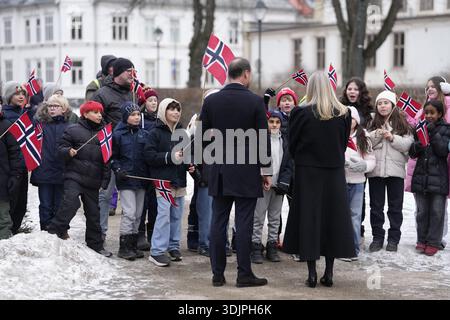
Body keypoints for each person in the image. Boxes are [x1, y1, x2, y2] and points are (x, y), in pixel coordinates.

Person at [200, 57, 271, 288]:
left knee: (218, 222)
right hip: (247, 171)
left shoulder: (212, 101)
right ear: (246, 74)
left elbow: (203, 137)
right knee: (244, 223)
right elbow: (263, 139)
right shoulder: (255, 102)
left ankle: (217, 274)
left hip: (220, 169)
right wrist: (266, 170)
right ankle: (244, 274)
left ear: (229, 73)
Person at [283, 71, 355, 288]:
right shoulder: (344, 113)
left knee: (310, 219)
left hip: (308, 172)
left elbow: (292, 144)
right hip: (333, 172)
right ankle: (329, 273)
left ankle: (312, 273)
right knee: (332, 219)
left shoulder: (300, 113)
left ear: (311, 88)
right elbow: (342, 145)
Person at [46, 101, 112, 257]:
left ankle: (95, 244)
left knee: (93, 213)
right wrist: (68, 151)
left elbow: (107, 160)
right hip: (74, 176)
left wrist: (105, 180)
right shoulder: (73, 130)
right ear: (85, 114)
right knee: (70, 202)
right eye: (95, 112)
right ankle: (53, 232)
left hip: (93, 180)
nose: (99, 115)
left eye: (100, 112)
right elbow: (60, 149)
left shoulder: (104, 133)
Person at [144, 98, 194, 267]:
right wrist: (169, 157)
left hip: (179, 180)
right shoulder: (155, 132)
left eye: (178, 109)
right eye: (171, 109)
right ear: (163, 111)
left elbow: (185, 156)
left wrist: (189, 165)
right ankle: (157, 251)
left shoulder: (183, 133)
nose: (176, 112)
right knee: (164, 216)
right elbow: (149, 156)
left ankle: (173, 246)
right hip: (163, 181)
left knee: (176, 216)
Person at [405, 76, 450, 249]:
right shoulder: (420, 128)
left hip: (438, 177)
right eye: (427, 113)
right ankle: (421, 240)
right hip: (421, 176)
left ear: (440, 114)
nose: (429, 116)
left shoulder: (445, 129)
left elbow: (442, 150)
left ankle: (434, 242)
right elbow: (413, 152)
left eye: (432, 113)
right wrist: (418, 143)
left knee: (437, 211)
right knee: (422, 212)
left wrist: (433, 133)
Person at [92, 57, 134, 240]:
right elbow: (94, 123)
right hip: (108, 153)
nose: (132, 74)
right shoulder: (102, 94)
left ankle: (131, 237)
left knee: (132, 197)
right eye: (129, 71)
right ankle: (99, 235)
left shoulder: (133, 93)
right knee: (105, 195)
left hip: (130, 154)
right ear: (117, 73)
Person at [367, 91, 413, 252]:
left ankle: (393, 239)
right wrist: (378, 134)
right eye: (380, 103)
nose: (383, 106)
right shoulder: (372, 122)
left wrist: (392, 137)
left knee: (395, 207)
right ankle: (377, 238)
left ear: (393, 105)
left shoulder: (402, 124)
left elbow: (407, 145)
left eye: (386, 103)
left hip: (396, 172)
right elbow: (365, 142)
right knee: (376, 207)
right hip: (376, 172)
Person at [251, 110, 292, 264]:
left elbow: (289, 163)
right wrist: (261, 177)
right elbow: (256, 161)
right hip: (263, 184)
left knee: (275, 218)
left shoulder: (286, 141)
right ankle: (255, 246)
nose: (274, 125)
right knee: (258, 217)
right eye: (271, 122)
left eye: (277, 122)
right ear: (267, 123)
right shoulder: (261, 140)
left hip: (278, 184)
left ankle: (272, 246)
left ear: (281, 124)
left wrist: (284, 181)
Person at [112, 102, 149, 260]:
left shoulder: (144, 134)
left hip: (141, 180)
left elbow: (148, 156)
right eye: (133, 115)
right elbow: (112, 157)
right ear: (126, 117)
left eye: (138, 114)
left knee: (139, 214)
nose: (136, 117)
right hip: (126, 179)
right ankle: (124, 246)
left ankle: (133, 245)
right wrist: (118, 169)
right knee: (129, 212)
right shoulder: (118, 135)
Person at [30, 94, 72, 230]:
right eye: (50, 106)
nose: (52, 109)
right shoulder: (40, 124)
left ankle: (59, 230)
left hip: (62, 171)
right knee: (45, 204)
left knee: (60, 204)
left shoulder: (70, 126)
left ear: (64, 109)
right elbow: (29, 118)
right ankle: (45, 230)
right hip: (44, 170)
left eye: (56, 106)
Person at [340, 77, 374, 240]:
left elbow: (370, 140)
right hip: (342, 168)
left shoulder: (367, 112)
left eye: (355, 89)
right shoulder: (339, 108)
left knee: (359, 201)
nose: (352, 91)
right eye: (349, 88)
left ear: (361, 92)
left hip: (362, 159)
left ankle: (357, 228)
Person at [342, 106, 376, 261]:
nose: (349, 121)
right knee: (340, 216)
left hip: (357, 182)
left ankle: (353, 249)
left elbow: (371, 160)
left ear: (357, 120)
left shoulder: (364, 137)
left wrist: (364, 166)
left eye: (352, 118)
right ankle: (338, 247)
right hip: (339, 181)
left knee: (355, 216)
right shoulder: (337, 135)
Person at [1, 82, 30, 234]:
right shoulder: (4, 116)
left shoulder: (23, 114)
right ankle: (7, 231)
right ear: (8, 96)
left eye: (23, 94)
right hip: (10, 168)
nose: (20, 96)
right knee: (10, 202)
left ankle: (14, 229)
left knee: (21, 203)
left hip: (23, 165)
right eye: (16, 93)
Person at [137, 88, 159, 250]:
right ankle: (139, 233)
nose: (153, 103)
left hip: (156, 168)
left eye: (155, 101)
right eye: (150, 100)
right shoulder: (140, 119)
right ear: (144, 102)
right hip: (142, 167)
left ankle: (153, 233)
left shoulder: (160, 120)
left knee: (155, 204)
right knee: (141, 203)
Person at [0, 107, 21, 239]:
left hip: (2, 180)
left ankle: (3, 246)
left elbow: (15, 154)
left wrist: (15, 175)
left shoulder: (6, 125)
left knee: (3, 218)